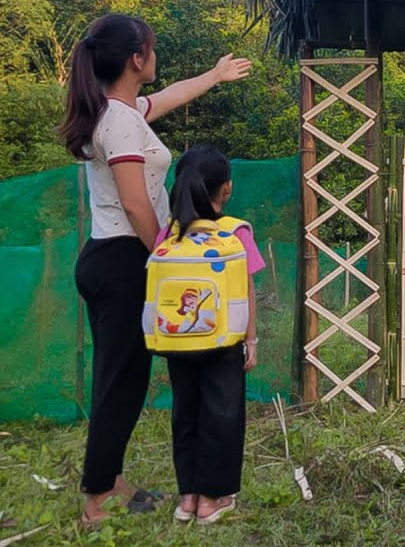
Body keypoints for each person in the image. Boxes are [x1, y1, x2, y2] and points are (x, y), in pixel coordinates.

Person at [57, 14, 251, 526]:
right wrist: (168, 255)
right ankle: (97, 500)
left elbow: (172, 98)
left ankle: (110, 480)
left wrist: (214, 75)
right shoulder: (118, 121)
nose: (157, 58)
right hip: (124, 259)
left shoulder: (122, 111)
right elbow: (136, 200)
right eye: (153, 49)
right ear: (137, 59)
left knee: (122, 378)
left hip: (113, 257)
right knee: (120, 383)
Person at [158, 146, 262, 525]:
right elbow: (247, 289)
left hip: (177, 340)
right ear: (227, 189)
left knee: (185, 411)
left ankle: (187, 497)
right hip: (223, 343)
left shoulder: (168, 233)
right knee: (223, 414)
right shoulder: (236, 232)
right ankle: (212, 499)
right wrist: (251, 339)